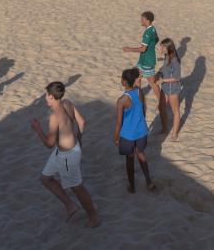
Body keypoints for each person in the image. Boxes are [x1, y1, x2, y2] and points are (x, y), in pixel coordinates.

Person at [31, 81, 101, 228]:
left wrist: (37, 129)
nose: (45, 97)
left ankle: (94, 216)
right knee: (45, 178)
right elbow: (82, 122)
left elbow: (49, 144)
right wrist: (79, 140)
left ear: (51, 96)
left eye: (46, 95)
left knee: (77, 187)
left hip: (67, 156)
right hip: (65, 150)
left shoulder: (54, 117)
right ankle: (70, 206)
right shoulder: (68, 103)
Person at [114, 68, 156, 193]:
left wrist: (116, 137)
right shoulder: (139, 92)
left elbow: (119, 122)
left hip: (128, 134)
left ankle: (132, 187)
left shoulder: (121, 100)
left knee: (130, 159)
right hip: (142, 131)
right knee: (141, 154)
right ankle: (149, 181)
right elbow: (143, 110)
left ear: (124, 82)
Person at [121, 11, 160, 113]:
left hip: (147, 61)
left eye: (142, 19)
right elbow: (156, 39)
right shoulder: (153, 29)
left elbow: (143, 49)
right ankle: (137, 100)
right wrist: (151, 46)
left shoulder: (147, 33)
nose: (141, 20)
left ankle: (161, 102)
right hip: (143, 60)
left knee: (152, 83)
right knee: (137, 79)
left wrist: (129, 49)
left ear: (147, 20)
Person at [155, 38, 182, 140]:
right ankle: (165, 129)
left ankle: (174, 133)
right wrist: (159, 72)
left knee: (175, 110)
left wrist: (162, 81)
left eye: (162, 47)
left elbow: (176, 78)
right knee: (161, 108)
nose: (160, 48)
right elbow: (165, 67)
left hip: (172, 89)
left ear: (168, 48)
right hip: (165, 87)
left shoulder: (175, 60)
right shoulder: (167, 56)